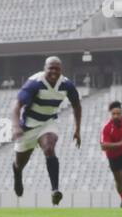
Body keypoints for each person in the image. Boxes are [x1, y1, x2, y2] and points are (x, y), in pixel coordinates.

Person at [10, 57, 81, 205]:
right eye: (51, 68)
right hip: (29, 126)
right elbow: (17, 105)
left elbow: (76, 105)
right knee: (20, 163)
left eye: (57, 68)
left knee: (49, 148)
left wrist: (77, 129)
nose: (54, 71)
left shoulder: (66, 84)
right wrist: (16, 126)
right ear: (45, 68)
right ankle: (17, 174)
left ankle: (55, 190)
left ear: (61, 70)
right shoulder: (34, 83)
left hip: (48, 123)